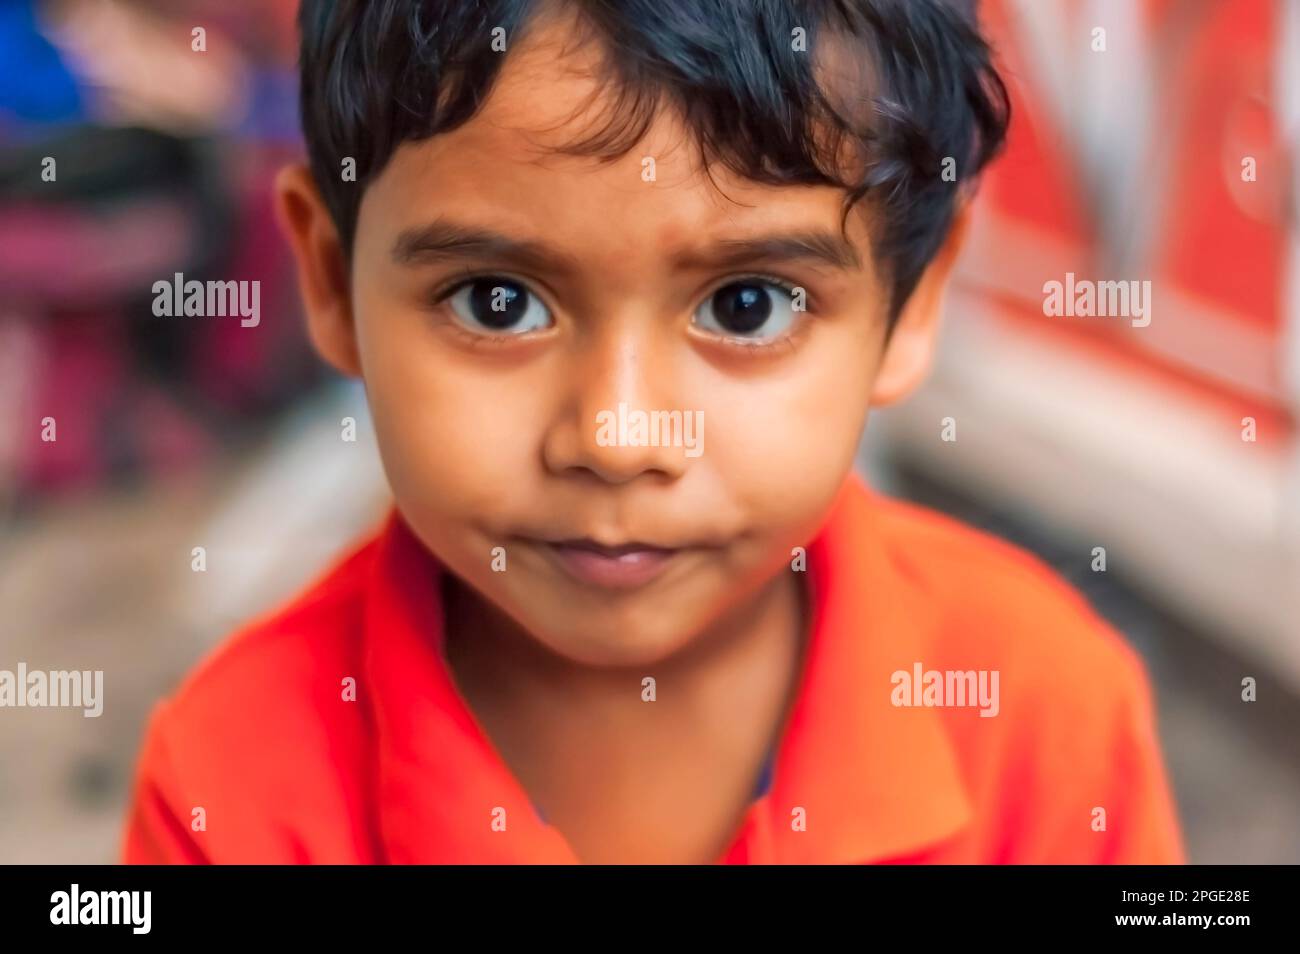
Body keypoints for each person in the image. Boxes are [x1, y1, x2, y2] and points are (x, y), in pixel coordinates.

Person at [122, 0, 1186, 864]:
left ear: (907, 310)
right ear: (331, 283)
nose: (618, 437)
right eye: (496, 301)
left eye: (746, 307)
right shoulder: (229, 789)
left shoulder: (1043, 715)